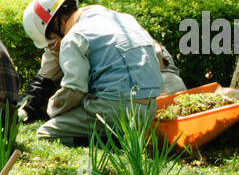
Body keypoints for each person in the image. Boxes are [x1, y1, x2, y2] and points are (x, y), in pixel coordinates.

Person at [20, 0, 164, 146]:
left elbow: (74, 91)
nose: (54, 48)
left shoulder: (74, 37)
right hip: (149, 109)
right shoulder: (123, 20)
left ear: (57, 22)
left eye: (53, 42)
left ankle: (115, 142)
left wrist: (52, 108)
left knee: (45, 133)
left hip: (113, 110)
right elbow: (157, 54)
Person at [18, 32, 185, 124]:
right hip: (152, 82)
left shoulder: (81, 37)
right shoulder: (88, 32)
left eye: (51, 43)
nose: (51, 47)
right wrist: (25, 109)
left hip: (158, 81)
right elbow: (44, 78)